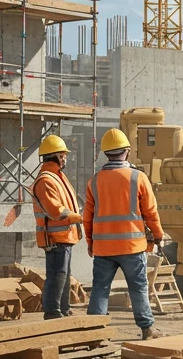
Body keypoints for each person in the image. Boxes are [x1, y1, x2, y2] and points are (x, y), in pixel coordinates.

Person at [85, 128, 165, 340]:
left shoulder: (94, 181)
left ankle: (95, 333)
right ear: (127, 152)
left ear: (106, 153)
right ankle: (147, 329)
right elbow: (151, 211)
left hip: (103, 248)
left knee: (100, 289)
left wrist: (90, 243)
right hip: (132, 247)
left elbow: (88, 217)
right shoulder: (138, 177)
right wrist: (158, 235)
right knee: (138, 288)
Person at [31, 134, 82, 320]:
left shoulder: (56, 177)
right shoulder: (46, 180)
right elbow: (55, 211)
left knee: (63, 274)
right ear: (57, 156)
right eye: (63, 155)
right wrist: (79, 218)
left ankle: (63, 308)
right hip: (54, 237)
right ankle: (52, 311)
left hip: (64, 236)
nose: (65, 158)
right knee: (56, 275)